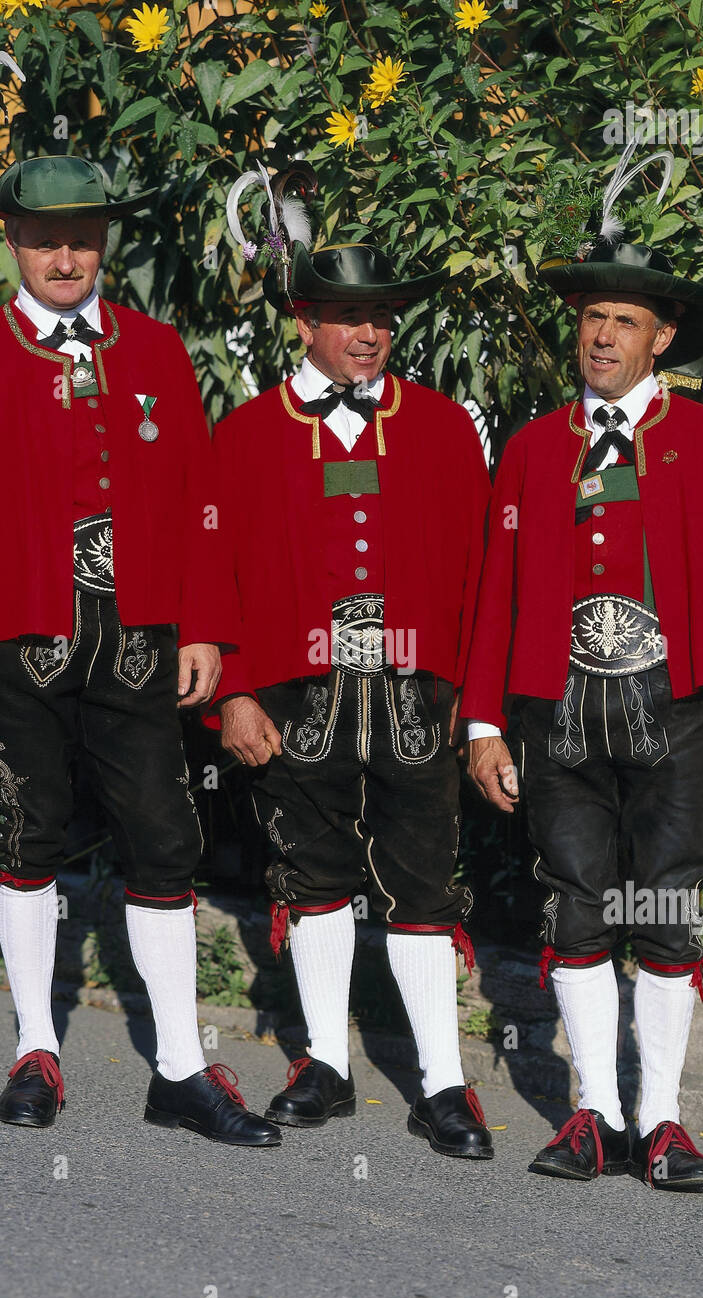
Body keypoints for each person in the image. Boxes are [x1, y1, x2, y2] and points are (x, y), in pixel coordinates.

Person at [0, 154, 279, 1147]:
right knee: (30, 831)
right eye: (44, 237)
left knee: (164, 836)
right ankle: (37, 1049)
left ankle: (181, 1069)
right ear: (13, 241)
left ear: (103, 241)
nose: (65, 256)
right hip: (17, 637)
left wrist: (206, 626)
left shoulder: (156, 351)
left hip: (141, 638)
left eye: (82, 236)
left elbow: (202, 507)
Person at [463, 151, 703, 1191]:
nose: (601, 335)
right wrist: (480, 724)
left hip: (676, 710)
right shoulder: (528, 449)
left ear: (662, 337)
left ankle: (663, 1118)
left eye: (624, 322)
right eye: (592, 317)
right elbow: (495, 595)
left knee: (668, 907)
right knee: (578, 902)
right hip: (555, 712)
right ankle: (592, 1111)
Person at [211, 166, 494, 1158]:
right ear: (304, 323)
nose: (366, 333)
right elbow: (211, 574)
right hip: (294, 691)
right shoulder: (246, 437)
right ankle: (325, 1062)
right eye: (345, 316)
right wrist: (234, 693)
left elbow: (483, 574)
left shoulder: (446, 429)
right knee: (313, 872)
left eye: (378, 315)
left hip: (418, 692)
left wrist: (481, 701)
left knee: (423, 881)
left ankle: (445, 1084)